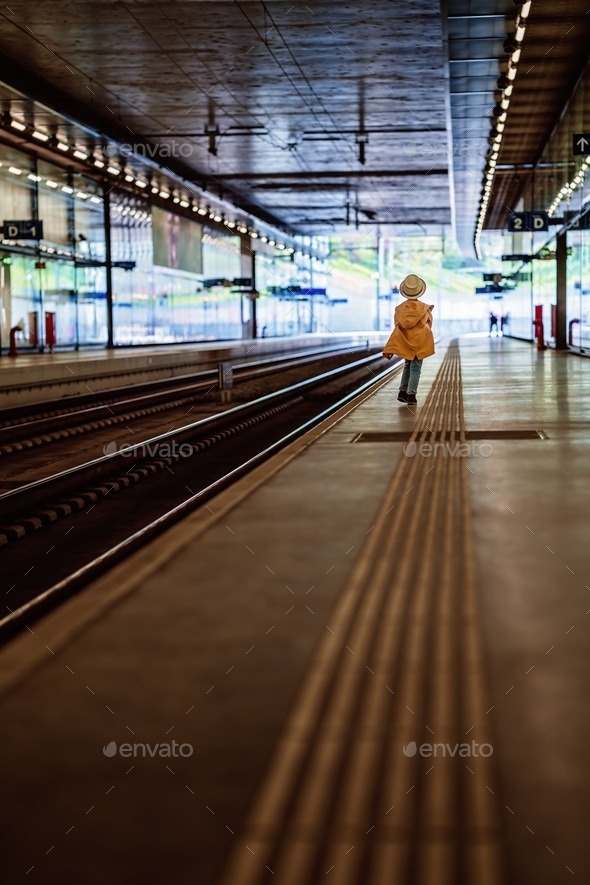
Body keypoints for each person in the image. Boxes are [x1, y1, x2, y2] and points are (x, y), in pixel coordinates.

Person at [382, 273, 435, 405]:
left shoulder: (399, 309)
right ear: (420, 291)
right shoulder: (424, 308)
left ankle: (402, 392)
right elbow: (429, 323)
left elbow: (398, 326)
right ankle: (411, 395)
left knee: (407, 365)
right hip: (420, 341)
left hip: (406, 341)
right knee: (416, 368)